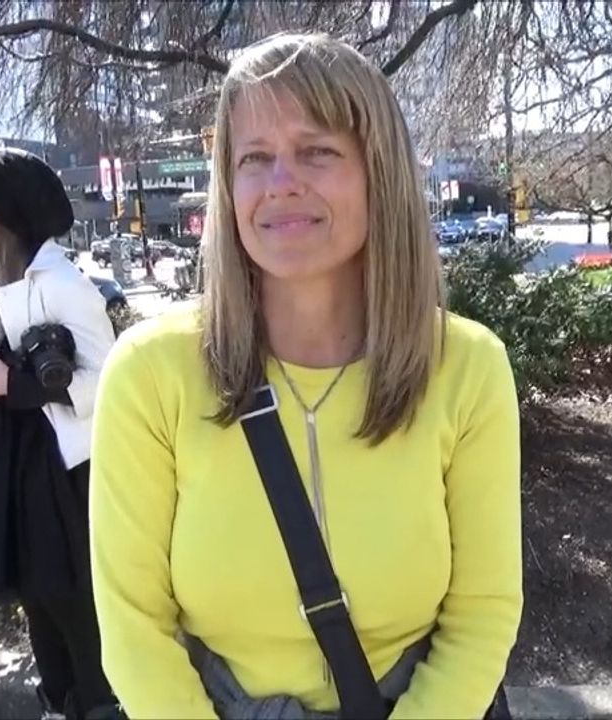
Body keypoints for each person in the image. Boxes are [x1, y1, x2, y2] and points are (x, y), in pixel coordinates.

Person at [90, 34, 522, 718]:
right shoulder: (149, 374)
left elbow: (484, 613)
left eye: (317, 151)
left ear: (378, 172)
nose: (281, 181)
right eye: (254, 158)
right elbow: (133, 629)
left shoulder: (467, 367)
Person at [0, 148, 120, 720]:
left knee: (72, 600)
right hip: (2, 463)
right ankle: (60, 705)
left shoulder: (63, 282)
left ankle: (101, 705)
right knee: (36, 600)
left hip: (55, 471)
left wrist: (14, 382)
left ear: (0, 205)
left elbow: (107, 380)